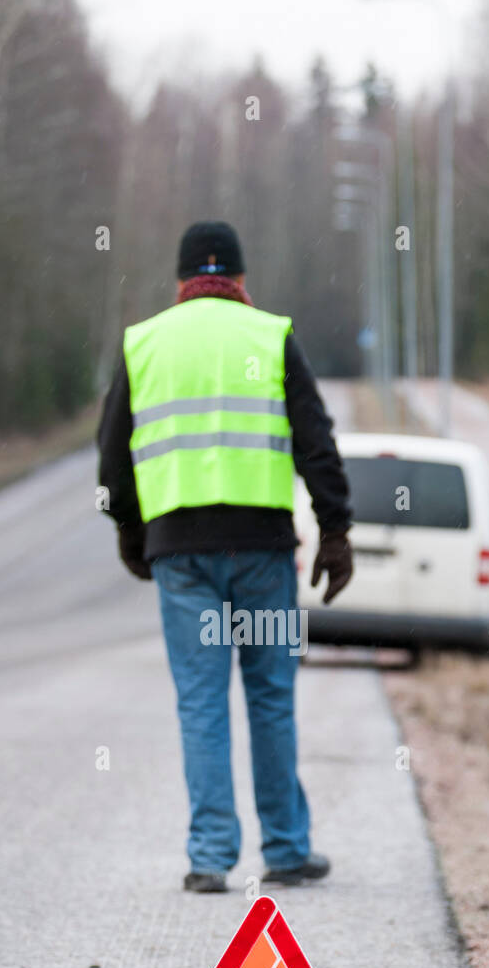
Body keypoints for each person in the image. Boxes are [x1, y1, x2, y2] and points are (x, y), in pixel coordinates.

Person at [98, 220, 353, 892]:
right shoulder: (270, 335)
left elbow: (112, 455)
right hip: (263, 555)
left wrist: (131, 532)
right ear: (241, 280)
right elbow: (316, 439)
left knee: (201, 703)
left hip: (181, 558)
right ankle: (286, 850)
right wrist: (335, 529)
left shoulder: (144, 342)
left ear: (181, 281)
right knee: (270, 696)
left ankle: (210, 857)